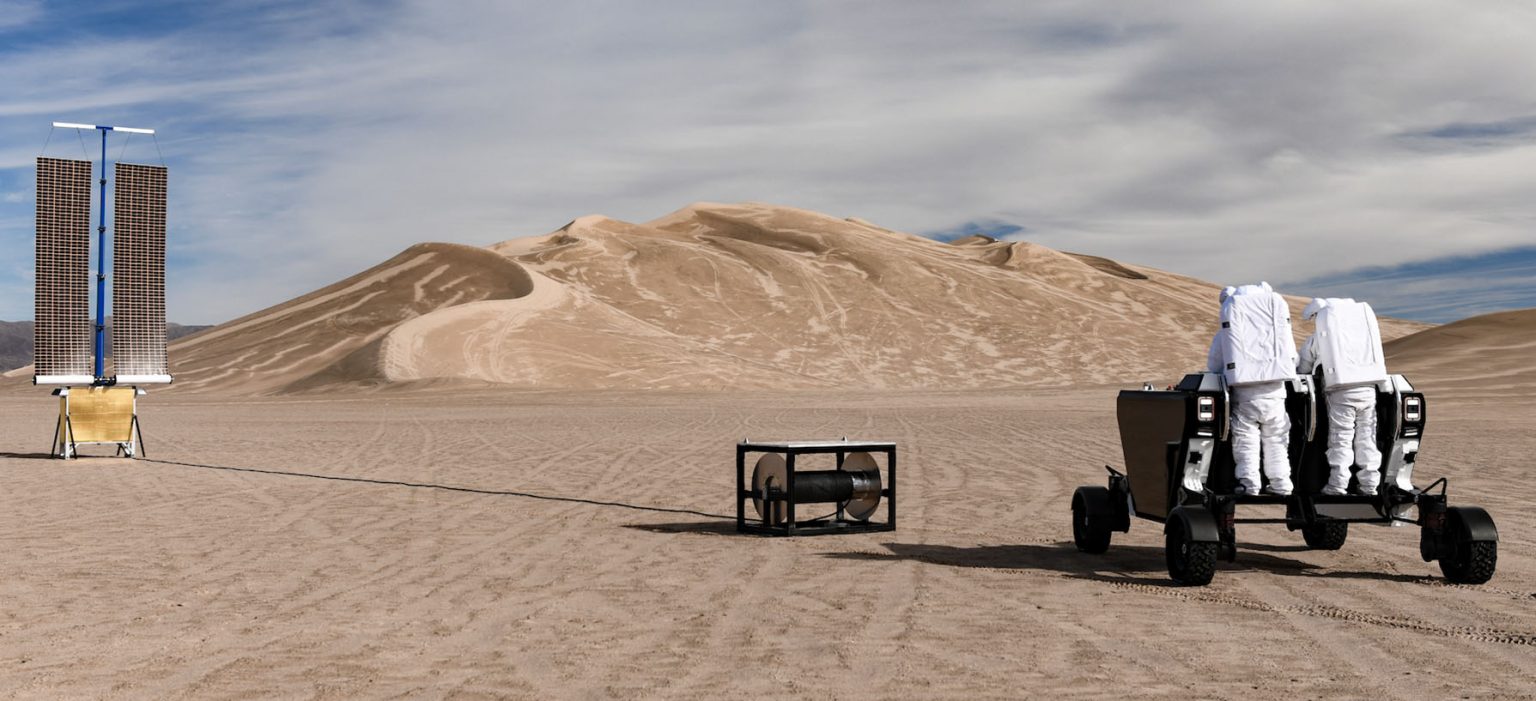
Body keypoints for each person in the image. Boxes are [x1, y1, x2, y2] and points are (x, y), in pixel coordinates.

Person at [1207, 282, 1298, 496]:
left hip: (1245, 394)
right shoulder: (1277, 328)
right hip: (1275, 393)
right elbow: (1294, 359)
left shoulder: (1228, 332)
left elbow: (1214, 364)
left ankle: (1249, 485)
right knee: (1277, 440)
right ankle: (1281, 484)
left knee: (1246, 441)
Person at [1298, 298, 1388, 496]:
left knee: (1341, 440)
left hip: (1341, 393)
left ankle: (1337, 485)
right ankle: (1369, 485)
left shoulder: (1320, 339)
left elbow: (1304, 366)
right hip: (1368, 391)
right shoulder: (1362, 337)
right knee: (1367, 438)